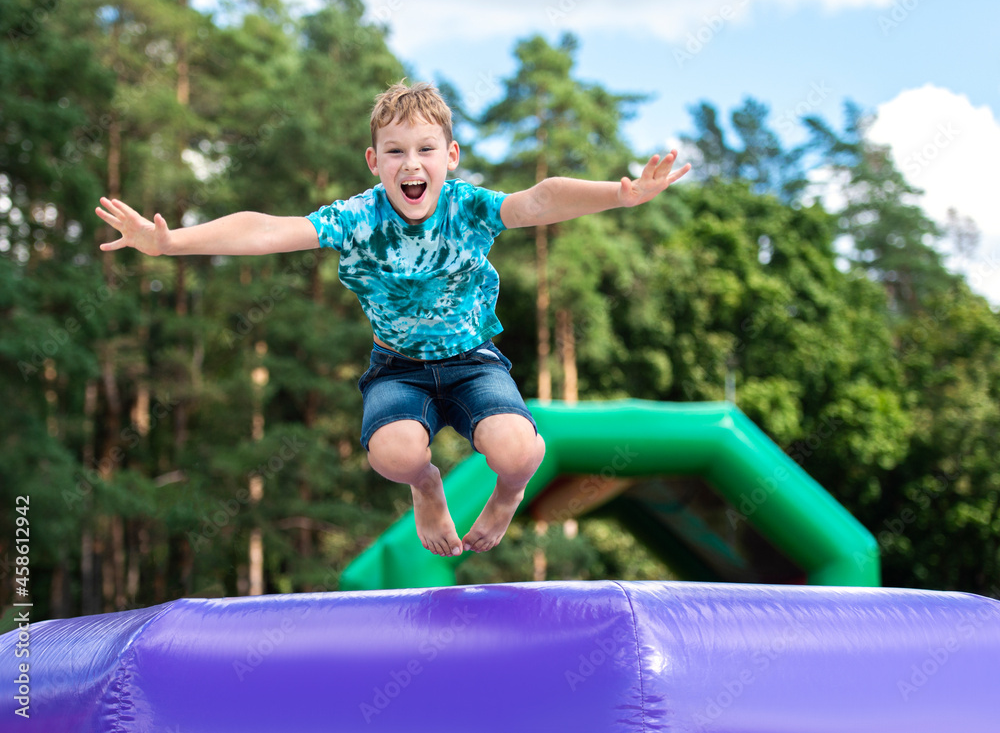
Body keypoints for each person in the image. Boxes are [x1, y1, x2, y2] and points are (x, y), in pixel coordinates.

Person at [95, 80, 690, 559]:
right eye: (397, 152)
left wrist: (621, 194)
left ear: (450, 157)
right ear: (374, 161)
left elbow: (541, 198)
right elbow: (268, 228)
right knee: (392, 454)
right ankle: (426, 487)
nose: (412, 165)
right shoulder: (355, 218)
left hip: (473, 359)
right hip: (399, 368)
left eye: (426, 150)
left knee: (520, 453)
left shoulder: (469, 207)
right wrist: (171, 245)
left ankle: (508, 494)